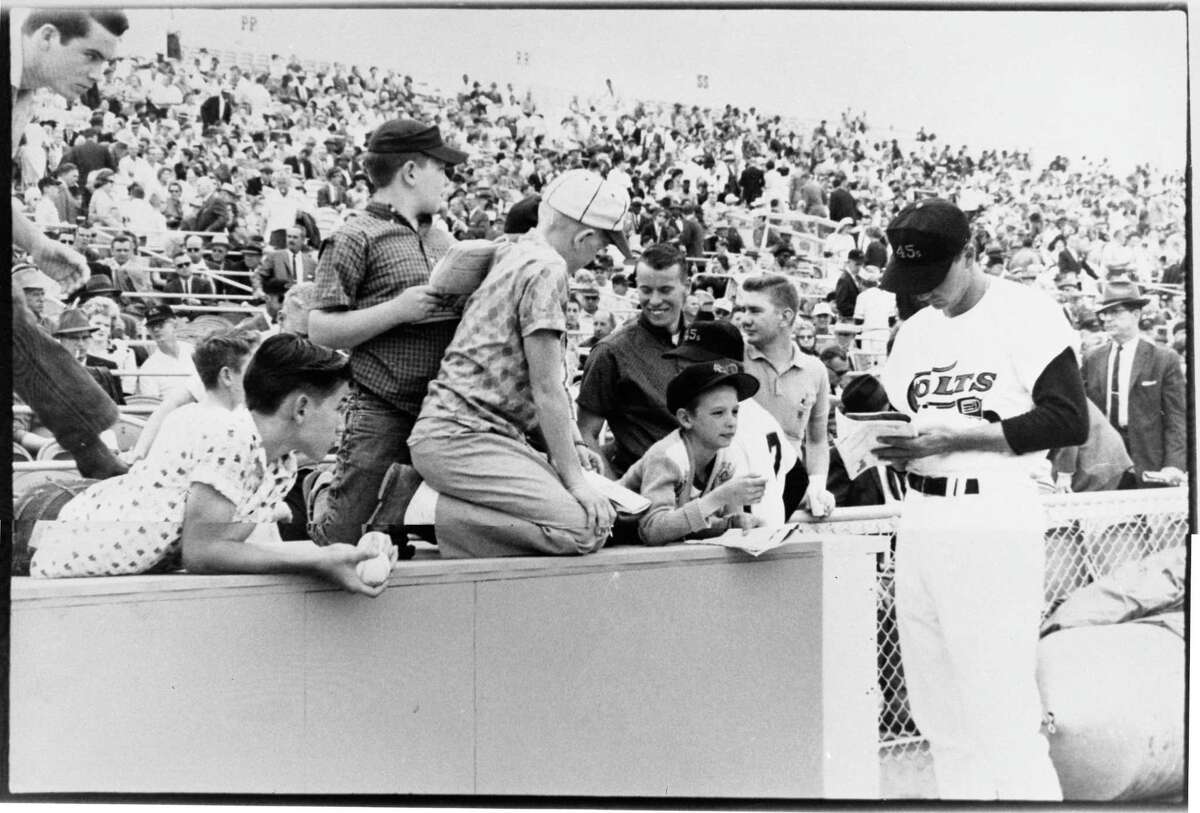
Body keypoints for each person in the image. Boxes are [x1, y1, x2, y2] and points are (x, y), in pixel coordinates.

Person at [874, 198, 1087, 800]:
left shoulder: (1025, 312)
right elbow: (904, 414)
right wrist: (891, 440)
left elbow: (1068, 420)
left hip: (991, 508)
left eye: (933, 277)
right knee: (939, 711)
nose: (922, 293)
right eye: (910, 280)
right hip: (921, 512)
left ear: (970, 253)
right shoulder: (915, 332)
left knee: (1001, 709)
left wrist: (961, 436)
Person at [29, 334, 395, 595]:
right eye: (340, 408)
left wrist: (349, 554)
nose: (346, 423)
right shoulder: (232, 436)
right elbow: (203, 552)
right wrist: (317, 560)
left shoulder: (279, 464)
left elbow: (235, 548)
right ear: (300, 408)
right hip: (52, 542)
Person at [409, 169, 628, 557]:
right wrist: (575, 481)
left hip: (465, 432)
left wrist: (573, 445)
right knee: (585, 528)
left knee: (584, 509)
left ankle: (431, 510)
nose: (595, 258)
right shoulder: (549, 267)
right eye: (600, 248)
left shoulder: (514, 248)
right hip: (463, 437)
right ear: (584, 238)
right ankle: (419, 508)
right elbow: (546, 390)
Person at [306, 117, 466, 548]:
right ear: (411, 172)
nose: (448, 181)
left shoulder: (444, 241)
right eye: (441, 169)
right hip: (380, 402)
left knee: (389, 535)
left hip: (436, 407)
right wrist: (397, 310)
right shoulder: (355, 236)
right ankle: (318, 486)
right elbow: (320, 327)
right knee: (340, 533)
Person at [11, 8, 131, 480]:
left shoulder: (27, 92)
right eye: (91, 56)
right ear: (46, 36)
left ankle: (88, 440)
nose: (98, 74)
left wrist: (39, 246)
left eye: (107, 62)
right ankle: (89, 440)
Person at [620, 362, 767, 545]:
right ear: (686, 419)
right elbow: (652, 530)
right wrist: (719, 497)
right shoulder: (667, 456)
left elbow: (700, 526)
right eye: (718, 413)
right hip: (613, 541)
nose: (731, 422)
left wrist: (734, 522)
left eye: (735, 411)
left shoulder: (727, 456)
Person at [577, 243, 691, 477]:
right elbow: (586, 432)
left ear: (686, 288)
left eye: (665, 290)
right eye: (646, 290)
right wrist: (617, 493)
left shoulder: (707, 343)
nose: (655, 300)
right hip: (645, 490)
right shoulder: (612, 352)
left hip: (707, 491)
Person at [738, 274, 835, 518]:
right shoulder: (734, 359)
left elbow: (816, 440)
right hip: (741, 492)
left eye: (755, 311)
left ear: (785, 316)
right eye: (743, 309)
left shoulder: (815, 369)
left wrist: (817, 485)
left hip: (790, 491)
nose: (745, 320)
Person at [1080, 281, 1186, 487]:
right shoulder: (1092, 358)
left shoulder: (1163, 358)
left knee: (1147, 515)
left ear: (1136, 314)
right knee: (1108, 516)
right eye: (1104, 313)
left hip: (1149, 457)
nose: (1107, 319)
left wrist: (1174, 464)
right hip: (1104, 458)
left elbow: (1177, 417)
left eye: (1116, 312)